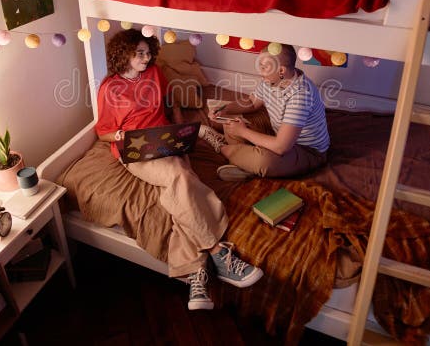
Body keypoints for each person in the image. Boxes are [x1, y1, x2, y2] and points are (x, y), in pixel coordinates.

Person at [95, 28, 263, 310]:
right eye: (140, 54)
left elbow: (169, 101)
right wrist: (119, 136)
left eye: (148, 52)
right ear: (123, 54)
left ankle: (196, 275)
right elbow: (103, 132)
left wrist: (180, 127)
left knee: (180, 187)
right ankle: (217, 251)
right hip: (135, 148)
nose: (147, 58)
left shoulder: (154, 74)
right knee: (180, 177)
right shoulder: (109, 88)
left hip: (167, 138)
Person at [199, 44, 329, 181]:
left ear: (281, 70)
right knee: (231, 121)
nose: (260, 71)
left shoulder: (301, 95)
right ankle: (244, 162)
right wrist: (225, 109)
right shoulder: (271, 80)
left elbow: (281, 147)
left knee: (265, 162)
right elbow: (252, 103)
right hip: (278, 132)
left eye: (264, 67)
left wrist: (243, 132)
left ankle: (222, 146)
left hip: (306, 150)